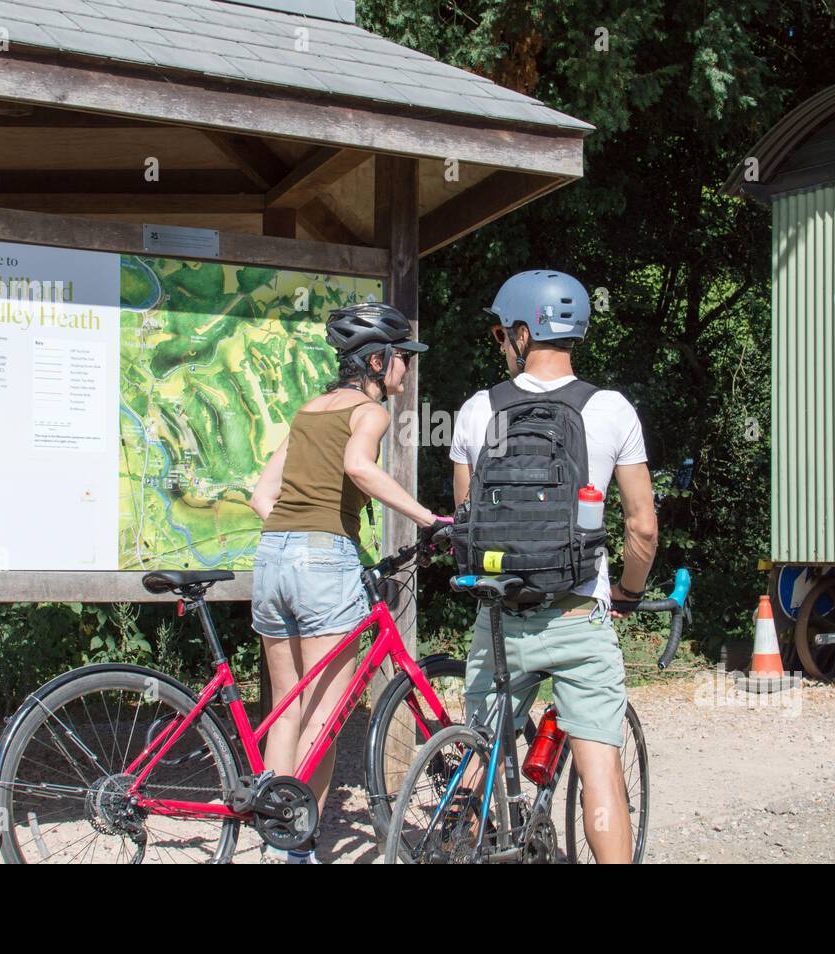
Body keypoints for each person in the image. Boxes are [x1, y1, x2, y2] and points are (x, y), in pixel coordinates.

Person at [449, 270, 658, 864]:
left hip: (500, 619)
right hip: (579, 611)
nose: (499, 344)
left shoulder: (476, 409)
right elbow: (643, 526)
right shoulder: (612, 409)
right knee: (600, 771)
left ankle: (460, 839)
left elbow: (466, 519)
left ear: (522, 331)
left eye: (500, 333)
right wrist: (627, 592)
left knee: (481, 759)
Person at [249, 302, 441, 863]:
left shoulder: (308, 411)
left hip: (272, 557)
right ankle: (300, 850)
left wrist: (294, 536)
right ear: (377, 361)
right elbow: (359, 466)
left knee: (286, 707)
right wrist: (429, 518)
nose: (407, 370)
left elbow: (263, 495)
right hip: (322, 563)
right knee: (323, 717)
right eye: (404, 358)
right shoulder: (370, 412)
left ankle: (274, 842)